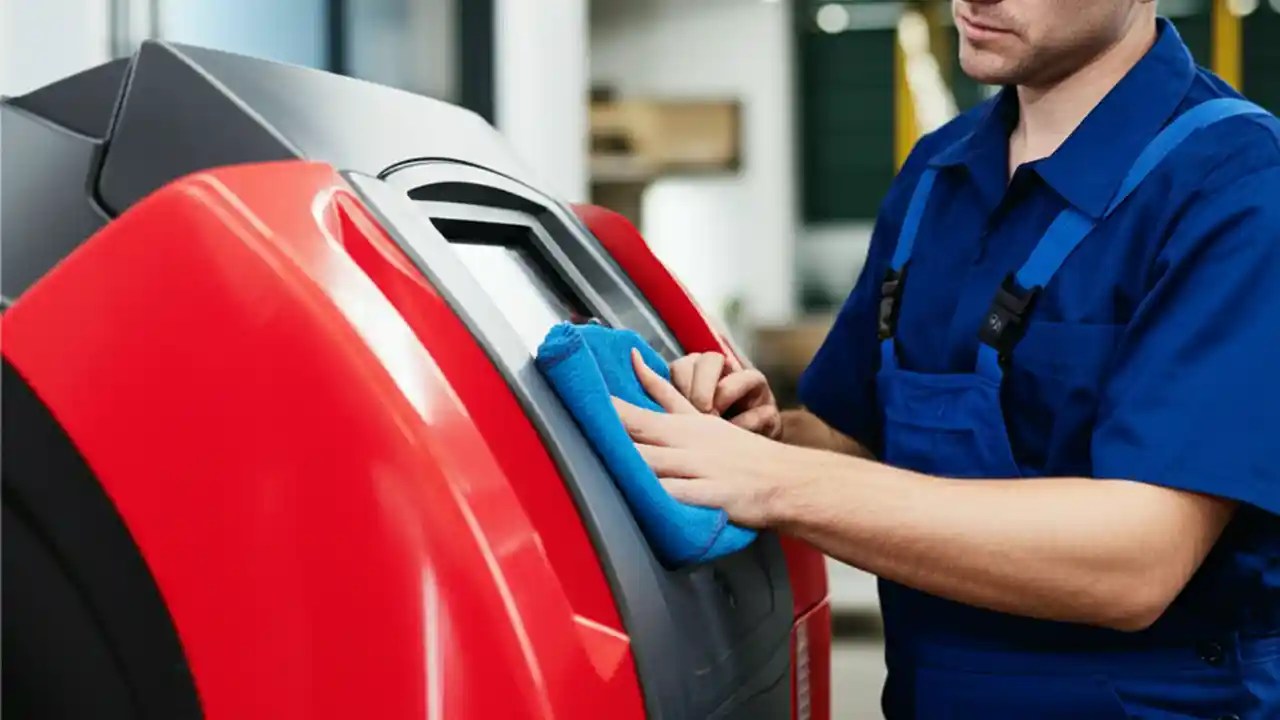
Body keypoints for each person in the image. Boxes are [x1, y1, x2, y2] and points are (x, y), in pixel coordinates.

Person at [612, 0, 1280, 717]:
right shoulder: (939, 173)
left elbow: (1137, 565)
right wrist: (763, 436)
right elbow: (864, 443)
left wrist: (775, 482)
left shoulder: (1239, 187)